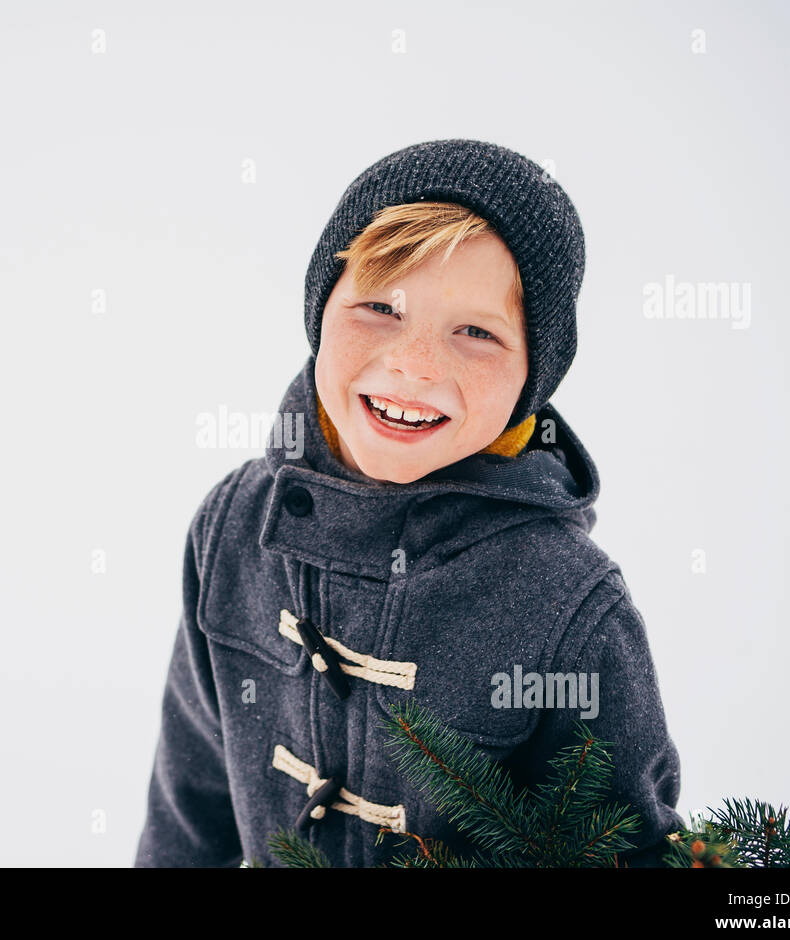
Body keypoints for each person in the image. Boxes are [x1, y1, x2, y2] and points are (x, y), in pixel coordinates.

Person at [135, 140, 683, 867]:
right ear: (321, 312)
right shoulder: (234, 524)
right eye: (379, 307)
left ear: (534, 375)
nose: (415, 365)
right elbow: (188, 802)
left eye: (477, 332)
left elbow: (627, 848)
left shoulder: (569, 603)